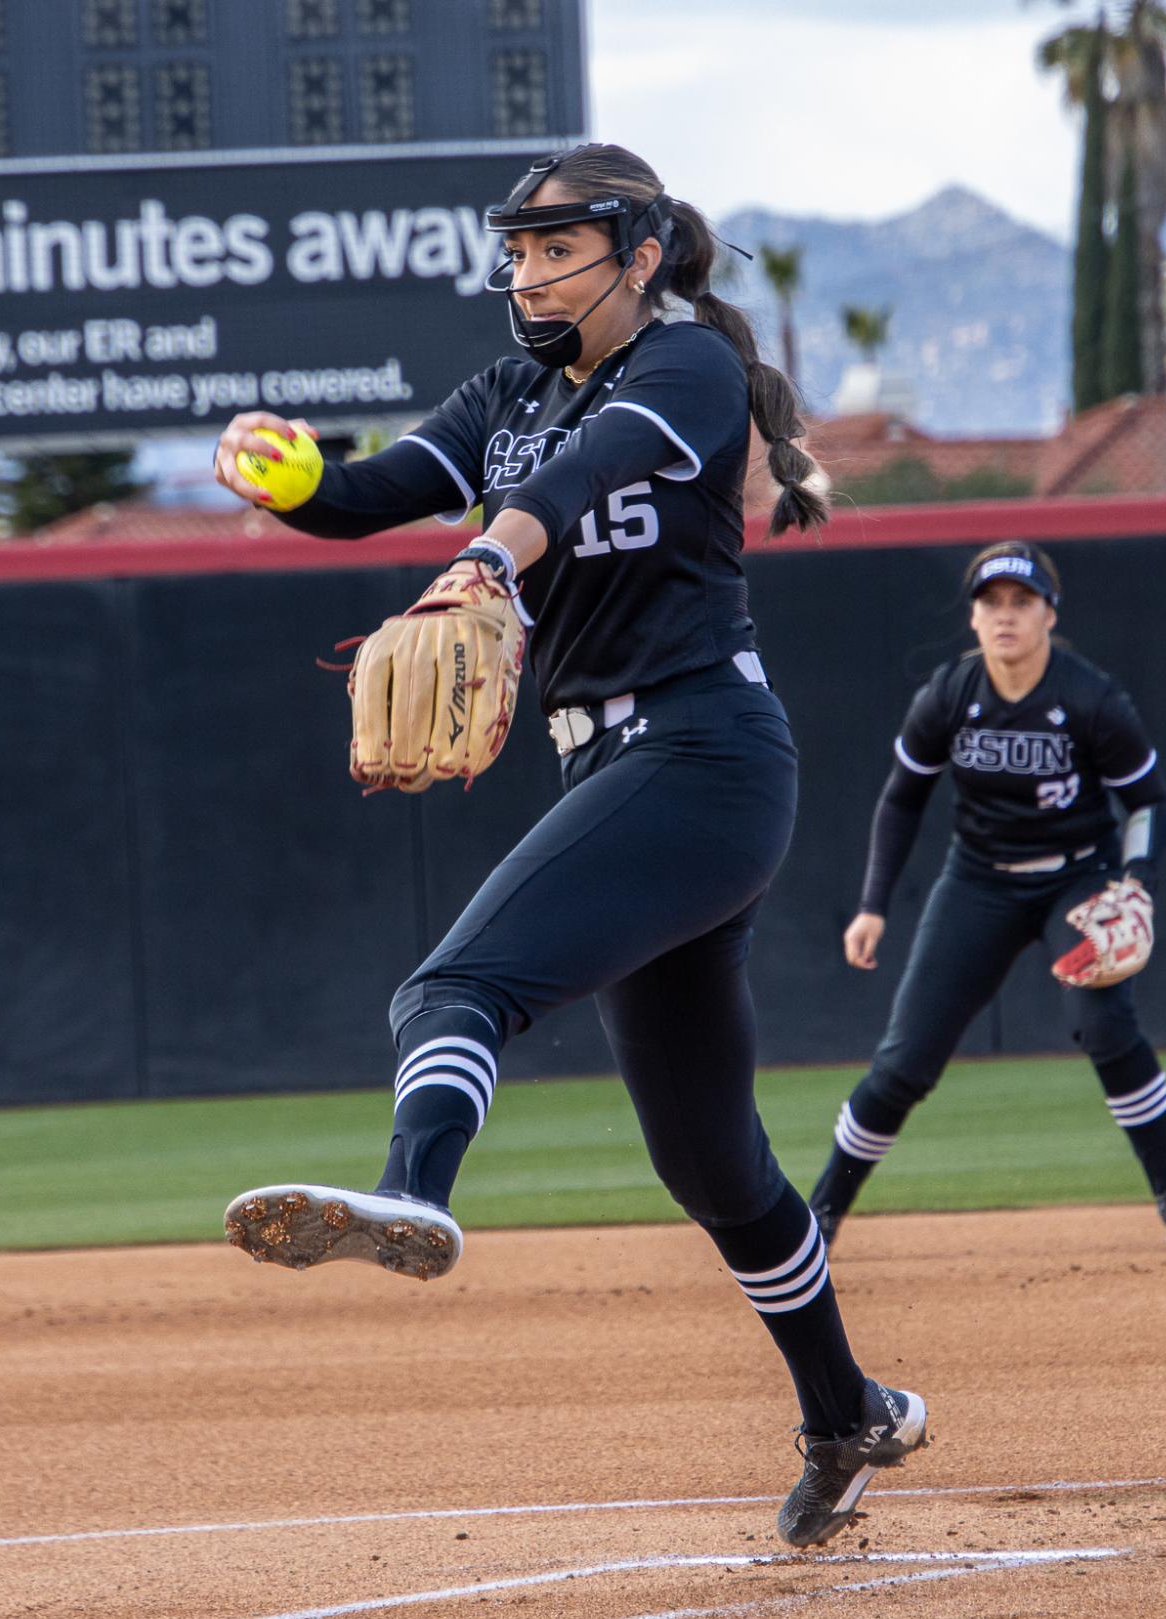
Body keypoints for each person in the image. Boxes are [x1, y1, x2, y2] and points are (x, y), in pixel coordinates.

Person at [211, 143, 925, 1547]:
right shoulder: (507, 393)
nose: (528, 269)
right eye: (519, 249)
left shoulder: (689, 369)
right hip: (630, 770)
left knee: (451, 986)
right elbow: (373, 490)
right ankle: (848, 1413)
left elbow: (595, 468)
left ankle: (413, 1194)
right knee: (713, 1167)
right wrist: (292, 479)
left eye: (557, 246)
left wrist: (493, 549)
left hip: (701, 752)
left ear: (639, 254)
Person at [808, 542, 1166, 1251]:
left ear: (1047, 615)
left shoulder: (1090, 698)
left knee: (1105, 1026)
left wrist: (1135, 882)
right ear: (972, 618)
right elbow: (900, 800)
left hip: (1076, 878)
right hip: (978, 878)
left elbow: (1149, 801)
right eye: (989, 603)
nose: (1004, 617)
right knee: (903, 1062)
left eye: (1020, 603)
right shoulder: (948, 694)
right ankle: (818, 1213)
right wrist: (872, 902)